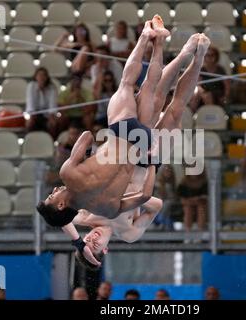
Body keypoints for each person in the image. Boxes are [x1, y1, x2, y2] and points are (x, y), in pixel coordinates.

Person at [59, 33, 210, 269]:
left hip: (127, 153)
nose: (93, 239)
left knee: (157, 95)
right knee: (176, 110)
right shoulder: (129, 233)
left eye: (88, 241)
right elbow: (156, 204)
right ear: (105, 249)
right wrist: (127, 202)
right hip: (149, 163)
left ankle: (184, 53)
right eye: (95, 246)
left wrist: (78, 243)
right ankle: (199, 57)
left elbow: (57, 217)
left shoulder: (84, 216)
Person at [26, 67, 59, 138]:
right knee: (29, 124)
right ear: (35, 76)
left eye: (44, 75)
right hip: (35, 114)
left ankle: (50, 142)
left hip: (47, 115)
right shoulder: (31, 86)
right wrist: (32, 118)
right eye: (39, 75)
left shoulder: (52, 88)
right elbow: (30, 103)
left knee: (52, 125)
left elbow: (52, 105)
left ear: (47, 77)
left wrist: (51, 118)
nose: (42, 77)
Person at [178, 169, 208, 234]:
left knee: (201, 208)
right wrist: (194, 200)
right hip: (187, 206)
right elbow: (182, 200)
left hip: (201, 205)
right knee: (188, 209)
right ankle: (188, 233)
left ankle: (200, 233)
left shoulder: (204, 182)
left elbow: (205, 198)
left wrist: (194, 200)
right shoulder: (183, 182)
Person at [153, 164, 177, 230]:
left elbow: (173, 196)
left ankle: (160, 221)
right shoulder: (157, 183)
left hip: (170, 203)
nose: (168, 173)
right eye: (166, 171)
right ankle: (163, 224)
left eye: (169, 171)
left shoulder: (172, 183)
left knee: (167, 204)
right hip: (160, 201)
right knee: (163, 206)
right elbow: (155, 196)